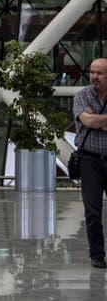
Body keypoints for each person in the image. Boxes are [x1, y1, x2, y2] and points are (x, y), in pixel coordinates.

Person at [73, 58, 107, 268]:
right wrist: (94, 122)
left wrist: (98, 121)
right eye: (92, 72)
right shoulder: (82, 95)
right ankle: (97, 255)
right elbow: (87, 121)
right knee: (92, 209)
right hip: (90, 160)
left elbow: (94, 121)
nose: (94, 76)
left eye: (100, 73)